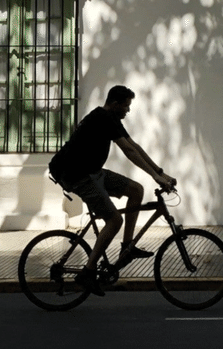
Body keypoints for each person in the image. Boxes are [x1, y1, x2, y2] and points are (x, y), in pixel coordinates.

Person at [49, 85, 176, 282]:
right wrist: (155, 177)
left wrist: (160, 173)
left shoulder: (111, 118)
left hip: (93, 172)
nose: (128, 110)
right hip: (78, 176)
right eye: (126, 106)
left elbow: (134, 146)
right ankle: (89, 271)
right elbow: (128, 151)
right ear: (115, 104)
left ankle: (127, 248)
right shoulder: (103, 118)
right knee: (115, 220)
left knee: (136, 190)